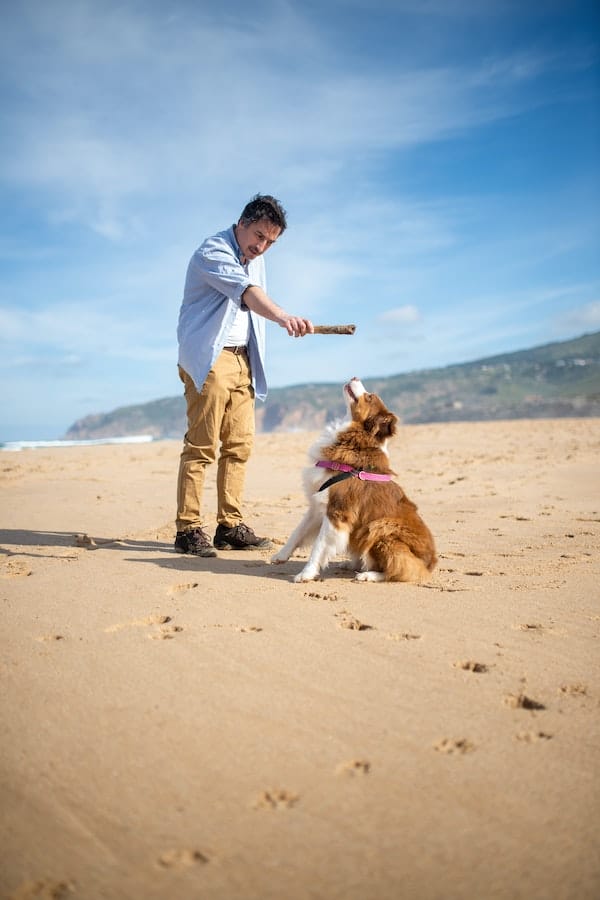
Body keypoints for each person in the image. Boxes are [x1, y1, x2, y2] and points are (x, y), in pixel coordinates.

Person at [175, 194, 314, 557]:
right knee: (201, 447)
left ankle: (229, 526)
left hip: (243, 361)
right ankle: (188, 530)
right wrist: (284, 316)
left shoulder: (256, 258)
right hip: (210, 359)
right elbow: (247, 293)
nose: (262, 246)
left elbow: (253, 301)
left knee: (239, 446)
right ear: (241, 223)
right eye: (258, 236)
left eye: (270, 242)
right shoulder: (214, 251)